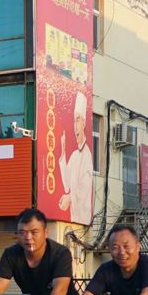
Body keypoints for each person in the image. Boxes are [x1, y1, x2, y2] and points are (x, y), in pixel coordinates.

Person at [0, 208, 79, 295]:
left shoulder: (60, 253)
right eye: (22, 232)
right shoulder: (10, 254)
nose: (28, 237)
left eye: (34, 232)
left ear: (46, 232)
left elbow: (60, 290)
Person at [57, 91, 94, 224]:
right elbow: (67, 184)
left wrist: (70, 198)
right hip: (73, 219)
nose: (75, 125)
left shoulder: (87, 155)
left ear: (84, 123)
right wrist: (63, 151)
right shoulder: (74, 155)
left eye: (78, 119)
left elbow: (84, 187)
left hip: (83, 219)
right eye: (74, 120)